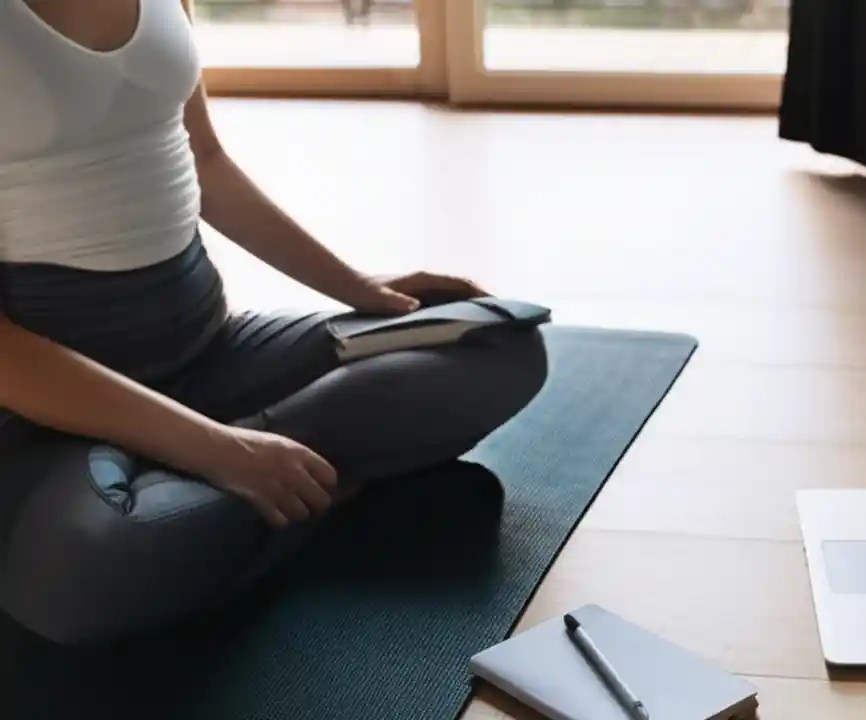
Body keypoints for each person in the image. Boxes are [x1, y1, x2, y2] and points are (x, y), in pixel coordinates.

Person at [0, 0, 547, 644]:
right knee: (76, 577)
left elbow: (205, 160)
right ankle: (306, 486)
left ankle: (245, 488)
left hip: (214, 353)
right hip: (52, 420)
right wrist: (216, 449)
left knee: (500, 343)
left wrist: (358, 286)